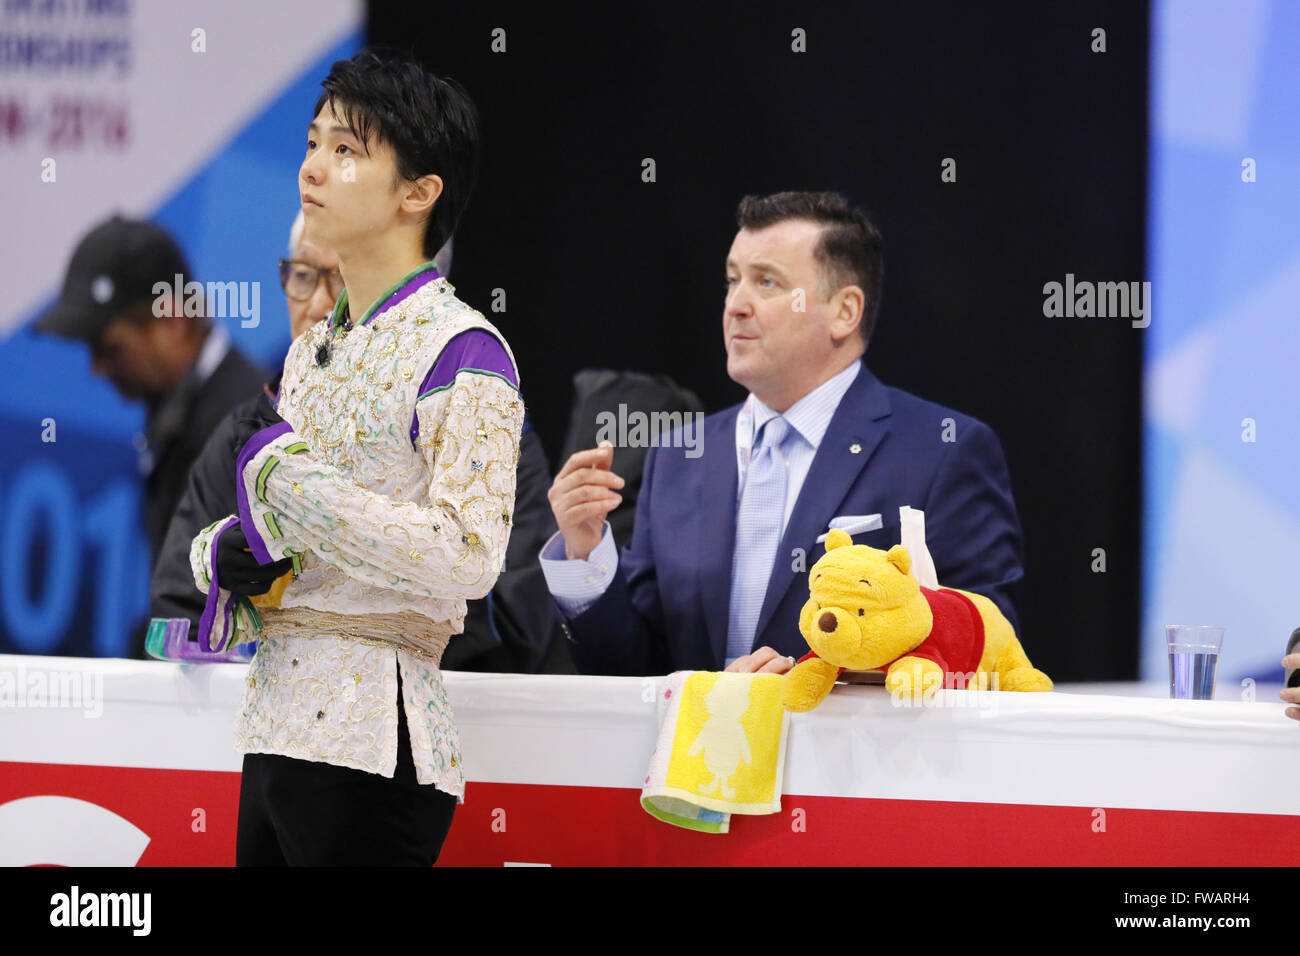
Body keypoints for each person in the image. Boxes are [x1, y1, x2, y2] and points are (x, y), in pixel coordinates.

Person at [189, 50, 523, 865]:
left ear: (418, 192)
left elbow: (472, 556)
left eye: (347, 150)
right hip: (273, 724)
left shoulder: (466, 350)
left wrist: (299, 495)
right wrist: (225, 552)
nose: (313, 167)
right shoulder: (311, 351)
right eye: (312, 143)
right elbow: (277, 522)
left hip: (377, 739)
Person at [541, 190, 1024, 677]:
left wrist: (822, 682)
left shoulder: (942, 451)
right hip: (699, 752)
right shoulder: (679, 455)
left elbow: (980, 650)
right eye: (732, 281)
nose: (735, 306)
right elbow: (634, 668)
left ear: (844, 311)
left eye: (767, 282)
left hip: (855, 750)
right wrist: (585, 554)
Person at [153, 212, 561, 673]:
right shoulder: (246, 433)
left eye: (351, 282)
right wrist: (224, 580)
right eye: (304, 276)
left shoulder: (487, 429)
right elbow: (175, 617)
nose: (323, 305)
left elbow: (519, 618)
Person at [34, 215, 266, 654]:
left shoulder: (240, 427)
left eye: (108, 347)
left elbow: (205, 617)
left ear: (175, 318)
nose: (97, 368)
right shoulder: (184, 412)